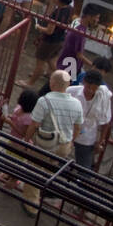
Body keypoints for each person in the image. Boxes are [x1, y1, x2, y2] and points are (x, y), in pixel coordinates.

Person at [22, 70, 83, 214]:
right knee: (50, 170)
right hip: (63, 146)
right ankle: (44, 193)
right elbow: (78, 127)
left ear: (52, 83)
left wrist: (26, 140)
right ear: (68, 85)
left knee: (34, 170)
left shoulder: (44, 101)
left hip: (44, 144)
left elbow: (34, 124)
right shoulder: (77, 104)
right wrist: (70, 142)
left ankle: (31, 205)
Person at [25, 0, 74, 86]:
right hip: (59, 40)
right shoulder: (68, 9)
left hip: (49, 41)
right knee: (52, 61)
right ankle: (64, 81)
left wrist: (38, 27)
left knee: (40, 63)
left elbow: (49, 31)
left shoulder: (57, 13)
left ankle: (30, 83)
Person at [68, 70, 113, 170]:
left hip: (87, 138)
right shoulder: (71, 91)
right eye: (88, 87)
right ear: (84, 82)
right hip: (67, 132)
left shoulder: (103, 98)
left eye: (94, 89)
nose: (90, 91)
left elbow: (106, 122)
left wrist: (101, 141)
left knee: (84, 169)